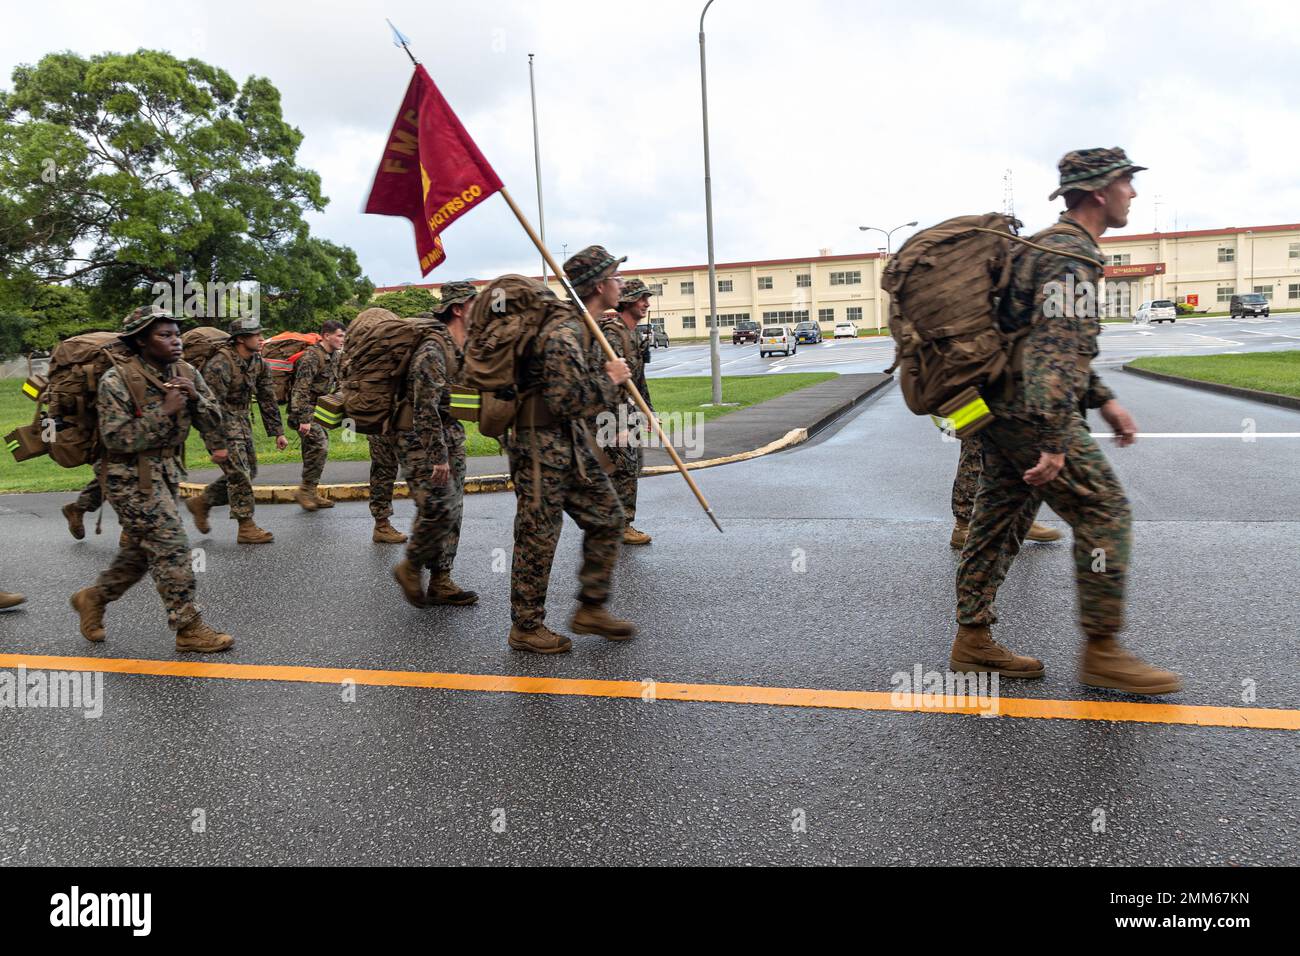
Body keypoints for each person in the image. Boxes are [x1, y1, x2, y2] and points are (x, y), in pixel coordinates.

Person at [952, 147, 1181, 695]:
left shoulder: (1047, 248)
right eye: (1127, 182)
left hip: (1002, 409)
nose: (1134, 192)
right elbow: (1052, 354)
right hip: (1033, 413)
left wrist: (1103, 398)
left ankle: (972, 639)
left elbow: (1053, 343)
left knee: (999, 518)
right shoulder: (1070, 257)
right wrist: (1053, 441)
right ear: (1101, 190)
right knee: (1105, 511)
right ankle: (1103, 651)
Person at [69, 306, 234, 653]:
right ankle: (188, 627)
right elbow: (116, 438)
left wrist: (196, 398)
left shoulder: (186, 371)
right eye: (164, 335)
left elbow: (216, 420)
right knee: (171, 545)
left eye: (176, 333)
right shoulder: (117, 380)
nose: (176, 341)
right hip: (127, 478)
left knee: (140, 555)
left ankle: (93, 598)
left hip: (167, 472)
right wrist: (166, 412)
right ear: (141, 341)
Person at [505, 246, 633, 653]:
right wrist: (610, 380)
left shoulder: (588, 328)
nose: (623, 285)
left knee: (609, 517)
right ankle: (526, 627)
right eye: (616, 278)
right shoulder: (563, 334)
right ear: (598, 285)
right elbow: (564, 400)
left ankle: (590, 608)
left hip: (571, 447)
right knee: (538, 535)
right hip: (539, 448)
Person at [391, 285, 479, 607]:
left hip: (449, 435)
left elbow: (460, 396)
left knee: (453, 509)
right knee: (438, 505)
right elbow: (424, 408)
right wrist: (437, 457)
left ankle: (441, 580)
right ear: (458, 308)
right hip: (420, 439)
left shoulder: (458, 346)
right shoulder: (432, 349)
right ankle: (410, 567)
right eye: (474, 303)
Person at [186, 316, 287, 543]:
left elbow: (267, 398)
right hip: (220, 421)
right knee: (239, 474)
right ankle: (246, 526)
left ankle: (202, 502)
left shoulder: (258, 362)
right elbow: (209, 407)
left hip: (241, 420)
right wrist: (216, 443)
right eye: (256, 335)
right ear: (241, 339)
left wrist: (278, 432)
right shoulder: (220, 364)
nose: (261, 339)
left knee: (248, 472)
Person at [599, 278, 655, 546]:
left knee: (629, 466)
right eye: (641, 298)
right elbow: (611, 382)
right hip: (611, 414)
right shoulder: (612, 334)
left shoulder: (634, 335)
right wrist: (618, 424)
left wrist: (649, 412)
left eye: (647, 299)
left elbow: (638, 380)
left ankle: (608, 522)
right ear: (628, 301)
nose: (646, 303)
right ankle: (620, 525)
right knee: (623, 467)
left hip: (628, 413)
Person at [949, 437, 1061, 548]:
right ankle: (963, 527)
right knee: (976, 452)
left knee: (1017, 450)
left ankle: (1018, 521)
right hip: (976, 419)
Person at [289, 319, 345, 511]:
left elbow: (337, 381)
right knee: (319, 446)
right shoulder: (311, 357)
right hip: (304, 410)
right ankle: (305, 490)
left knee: (313, 450)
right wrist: (303, 420)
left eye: (343, 336)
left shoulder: (336, 355)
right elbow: (300, 390)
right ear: (326, 336)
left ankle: (310, 491)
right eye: (339, 335)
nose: (342, 339)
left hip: (320, 410)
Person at [367, 432, 407, 543]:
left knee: (386, 473)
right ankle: (382, 527)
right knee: (383, 474)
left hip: (399, 428)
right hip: (383, 429)